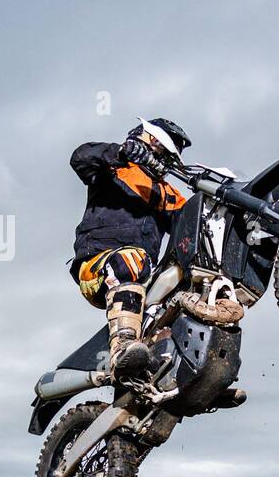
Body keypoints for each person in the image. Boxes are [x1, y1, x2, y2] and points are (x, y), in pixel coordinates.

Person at [68, 117, 191, 380]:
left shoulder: (169, 193)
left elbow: (190, 226)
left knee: (182, 290)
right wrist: (120, 152)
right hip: (98, 266)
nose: (167, 160)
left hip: (144, 276)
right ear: (149, 140)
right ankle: (123, 347)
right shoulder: (115, 167)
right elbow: (81, 157)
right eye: (164, 151)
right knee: (131, 261)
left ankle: (190, 373)